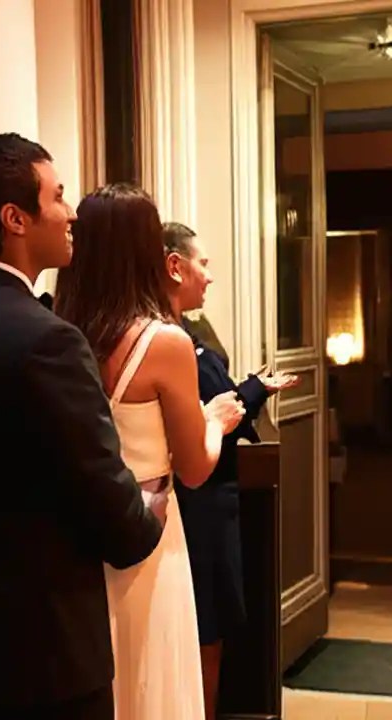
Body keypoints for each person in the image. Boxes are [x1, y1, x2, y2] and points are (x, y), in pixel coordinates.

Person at [0, 134, 166, 720]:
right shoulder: (47, 339)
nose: (73, 213)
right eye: (59, 196)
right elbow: (103, 493)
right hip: (46, 652)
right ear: (15, 219)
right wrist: (148, 510)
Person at [54, 184, 246, 720]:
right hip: (150, 535)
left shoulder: (59, 331)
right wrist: (215, 420)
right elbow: (194, 466)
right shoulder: (163, 341)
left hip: (77, 540)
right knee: (151, 677)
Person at [160, 221, 299, 719]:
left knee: (209, 632)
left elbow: (219, 403)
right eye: (204, 264)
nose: (209, 277)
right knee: (202, 635)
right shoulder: (166, 339)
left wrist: (245, 393)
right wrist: (250, 394)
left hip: (211, 502)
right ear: (174, 266)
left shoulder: (189, 332)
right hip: (195, 505)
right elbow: (211, 417)